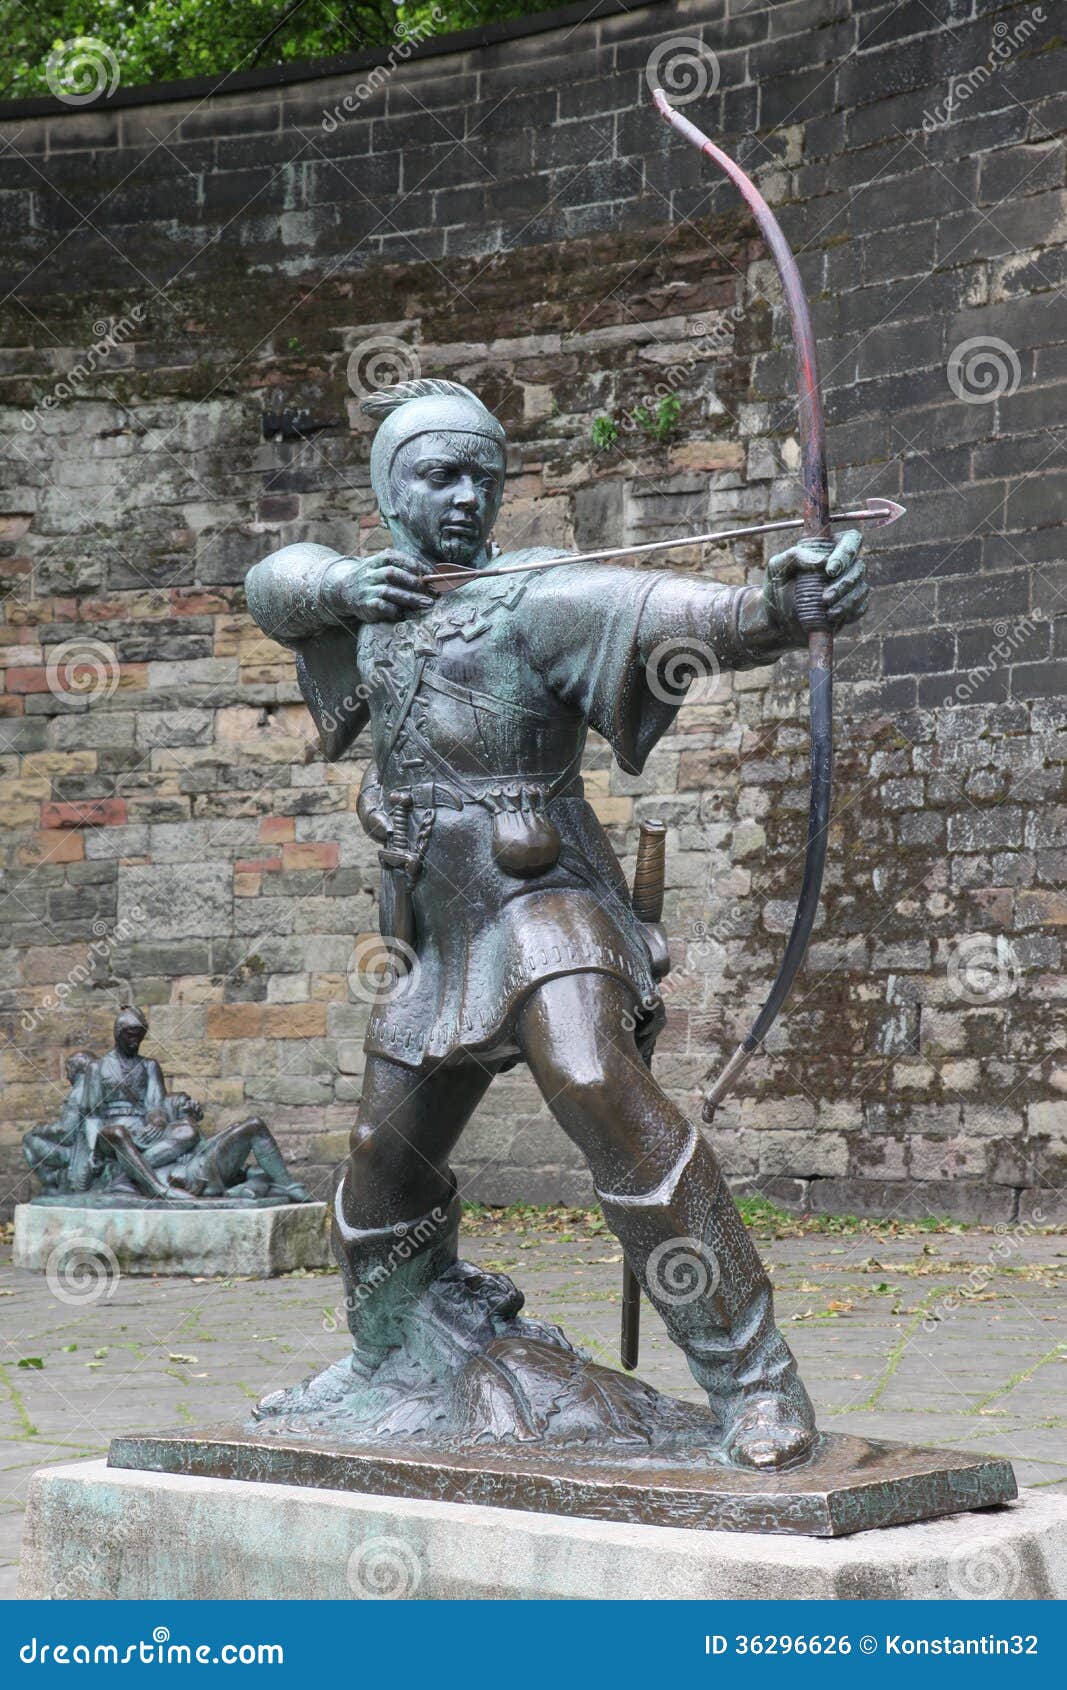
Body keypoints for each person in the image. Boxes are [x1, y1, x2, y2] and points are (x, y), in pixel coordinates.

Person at [245, 379, 870, 1468]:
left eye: (483, 477)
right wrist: (348, 580)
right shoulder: (369, 604)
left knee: (591, 1081)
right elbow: (271, 585)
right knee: (376, 1158)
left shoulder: (531, 596)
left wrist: (775, 608)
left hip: (543, 899)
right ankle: (390, 1349)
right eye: (438, 475)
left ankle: (755, 1379)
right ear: (390, 490)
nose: (465, 497)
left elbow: (681, 616)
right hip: (431, 922)